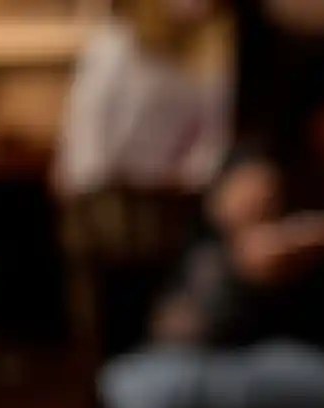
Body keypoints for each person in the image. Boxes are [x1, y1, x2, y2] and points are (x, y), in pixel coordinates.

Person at [99, 149, 324, 408]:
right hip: (214, 344)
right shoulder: (261, 168)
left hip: (306, 356)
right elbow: (179, 326)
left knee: (146, 391)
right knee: (141, 388)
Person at [55, 0, 233, 355]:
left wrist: (191, 175)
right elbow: (87, 130)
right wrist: (94, 187)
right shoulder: (116, 45)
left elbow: (214, 135)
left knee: (168, 317)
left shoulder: (210, 53)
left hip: (175, 205)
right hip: (112, 204)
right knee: (114, 318)